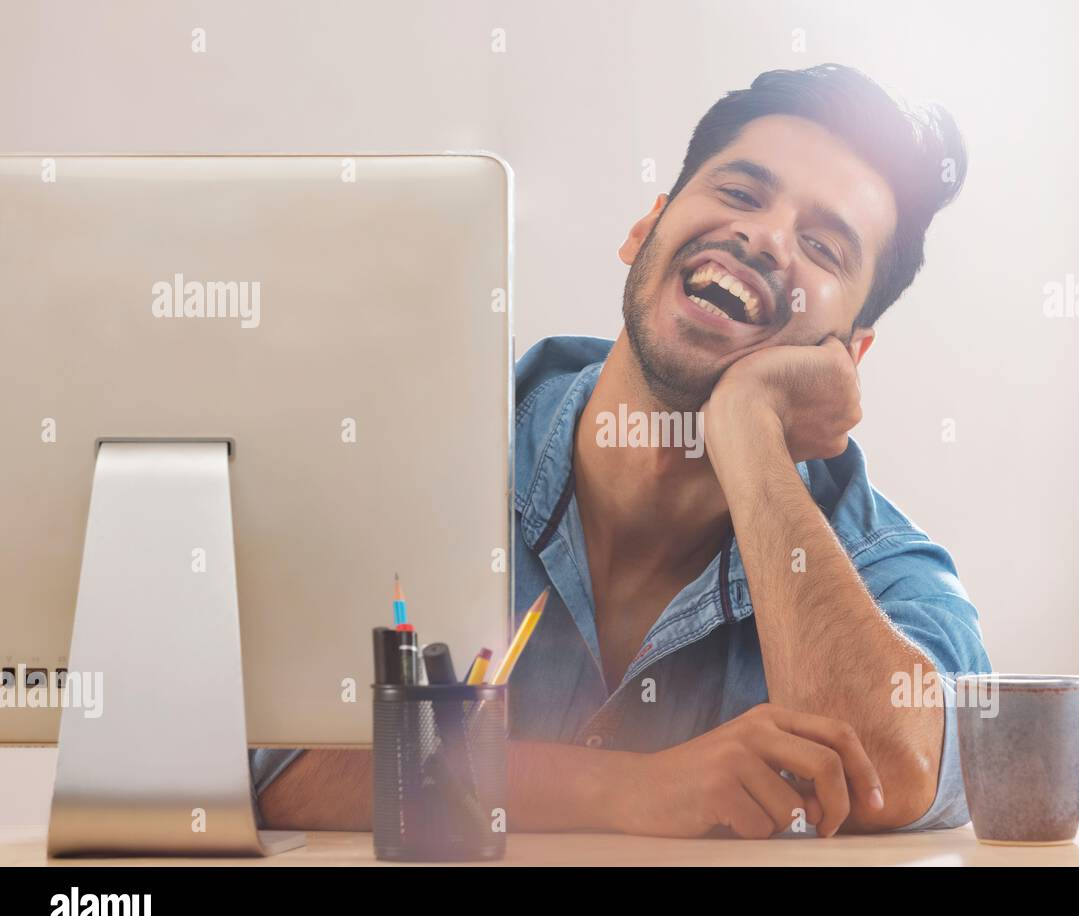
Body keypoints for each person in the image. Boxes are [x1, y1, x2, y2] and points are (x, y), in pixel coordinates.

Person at [256, 62, 990, 839]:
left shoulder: (876, 560)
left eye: (821, 245)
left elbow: (902, 770)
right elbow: (268, 761)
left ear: (849, 356)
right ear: (645, 232)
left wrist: (748, 430)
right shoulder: (415, 451)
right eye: (740, 194)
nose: (765, 237)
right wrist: (629, 789)